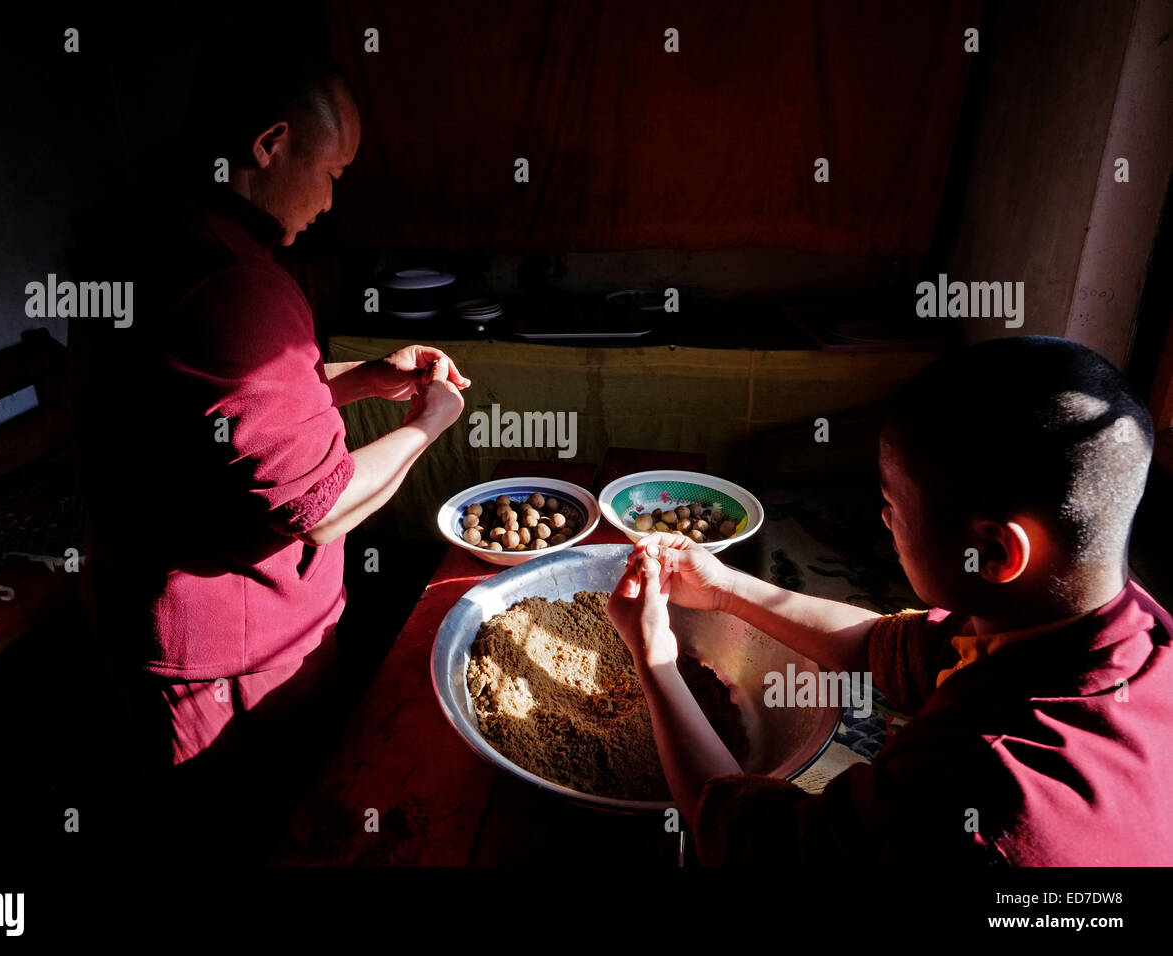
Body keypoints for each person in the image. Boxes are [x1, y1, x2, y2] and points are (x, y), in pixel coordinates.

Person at [68, 48, 468, 859]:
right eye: (334, 171)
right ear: (270, 144)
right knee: (250, 833)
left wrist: (364, 378)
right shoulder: (237, 285)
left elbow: (220, 395)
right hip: (226, 662)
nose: (332, 198)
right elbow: (319, 509)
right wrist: (433, 420)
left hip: (141, 616)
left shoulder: (152, 231)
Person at [607, 335, 1173, 865]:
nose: (884, 521)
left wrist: (655, 655)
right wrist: (725, 588)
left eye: (894, 505)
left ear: (996, 552)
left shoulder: (976, 789)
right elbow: (889, 650)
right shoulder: (1107, 627)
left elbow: (752, 846)